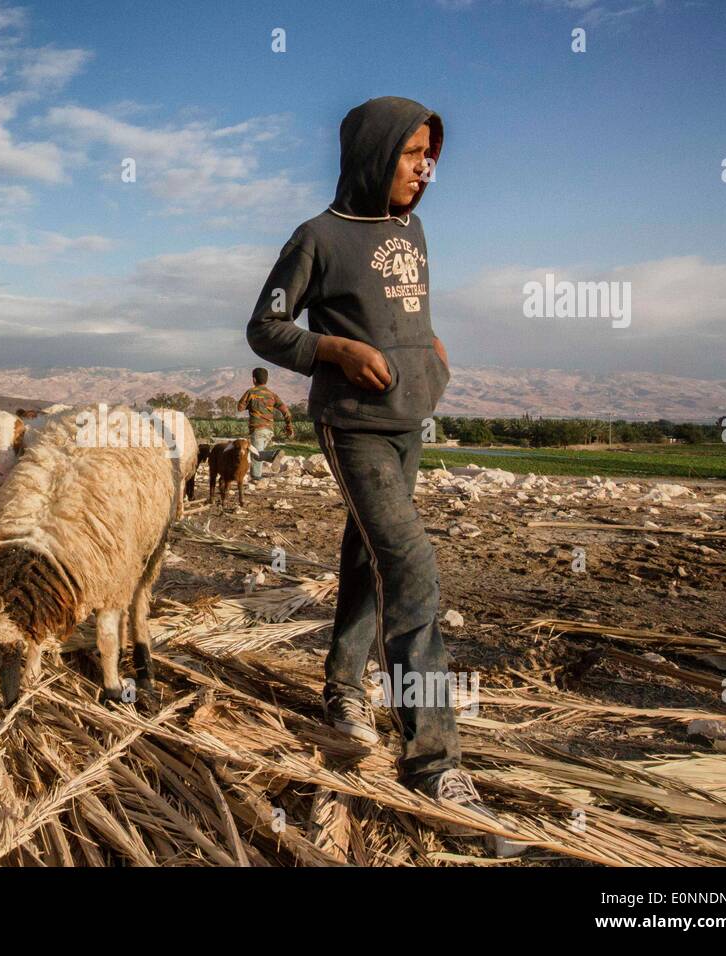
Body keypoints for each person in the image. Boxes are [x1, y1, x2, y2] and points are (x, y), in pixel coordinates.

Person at [246, 96, 522, 857]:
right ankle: (434, 761)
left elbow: (405, 312)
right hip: (352, 426)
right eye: (410, 155)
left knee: (369, 553)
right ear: (373, 154)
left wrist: (431, 356)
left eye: (430, 155)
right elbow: (264, 326)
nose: (424, 168)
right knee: (412, 568)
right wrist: (332, 353)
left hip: (408, 422)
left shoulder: (414, 228)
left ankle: (342, 687)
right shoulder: (318, 238)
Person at [237, 367, 294, 480]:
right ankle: (256, 477)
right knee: (258, 453)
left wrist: (251, 405)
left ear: (254, 379)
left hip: (257, 428)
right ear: (266, 379)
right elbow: (286, 412)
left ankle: (274, 455)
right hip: (269, 430)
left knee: (255, 454)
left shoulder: (251, 392)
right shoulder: (272, 394)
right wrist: (289, 426)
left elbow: (240, 408)